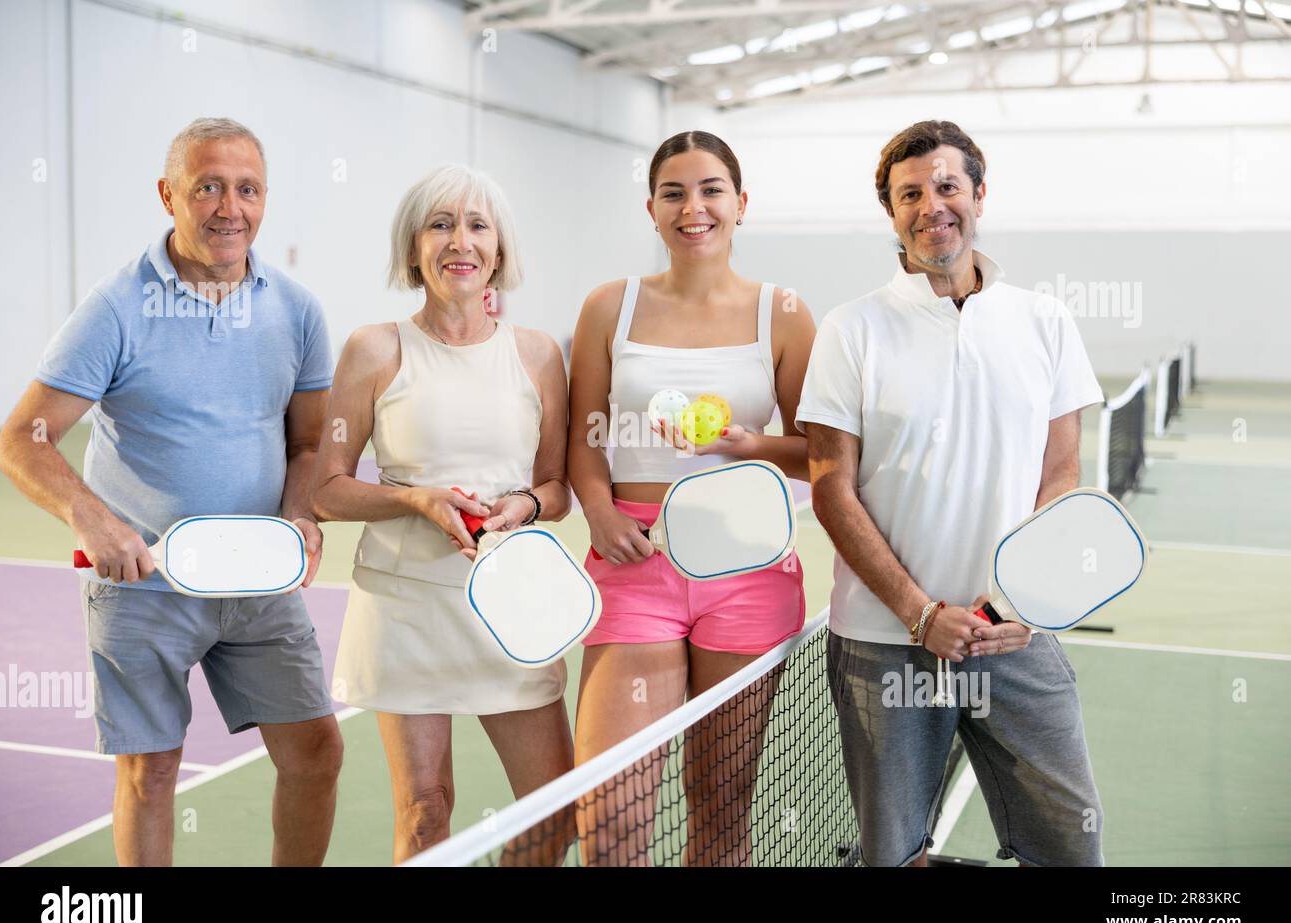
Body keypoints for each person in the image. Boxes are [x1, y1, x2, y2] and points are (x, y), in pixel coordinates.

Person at [0, 117, 342, 866]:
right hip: (143, 587)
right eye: (207, 186)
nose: (229, 207)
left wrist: (300, 516)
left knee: (315, 751)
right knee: (151, 775)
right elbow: (21, 438)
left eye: (247, 189)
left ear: (265, 198)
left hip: (259, 580)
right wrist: (94, 521)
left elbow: (310, 440)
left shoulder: (298, 309)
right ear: (168, 195)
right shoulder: (117, 305)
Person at [798, 119, 1106, 867]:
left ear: (978, 195)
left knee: (1073, 844)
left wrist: (1022, 602)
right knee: (893, 856)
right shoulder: (851, 329)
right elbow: (831, 485)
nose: (931, 205)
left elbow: (1060, 474)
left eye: (946, 186)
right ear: (892, 213)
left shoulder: (1045, 320)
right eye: (910, 194)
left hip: (1017, 639)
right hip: (885, 643)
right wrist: (920, 613)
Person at [311, 165, 574, 865]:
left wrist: (526, 503)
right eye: (441, 224)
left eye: (478, 226)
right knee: (426, 811)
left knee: (555, 811)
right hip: (405, 609)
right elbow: (327, 490)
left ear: (500, 251)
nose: (461, 241)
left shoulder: (540, 355)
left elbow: (558, 487)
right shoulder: (374, 349)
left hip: (513, 610)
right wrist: (414, 500)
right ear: (413, 250)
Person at [568, 131, 816, 866]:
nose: (693, 207)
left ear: (740, 204)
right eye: (674, 193)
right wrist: (601, 511)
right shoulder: (608, 307)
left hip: (745, 569)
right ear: (652, 209)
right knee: (610, 817)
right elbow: (585, 439)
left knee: (719, 808)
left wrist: (751, 446)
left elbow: (819, 455)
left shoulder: (786, 313)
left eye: (710, 190)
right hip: (633, 560)